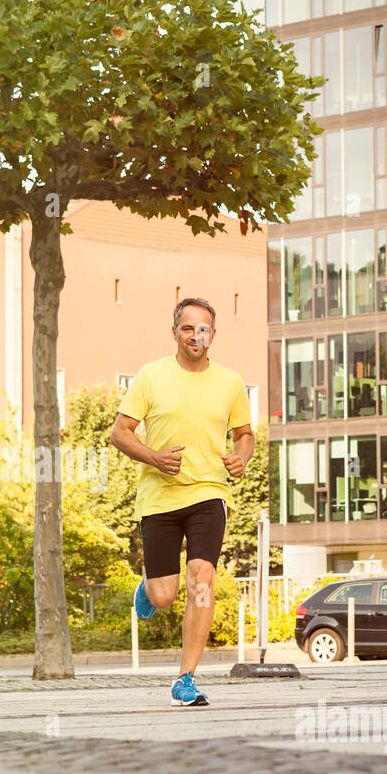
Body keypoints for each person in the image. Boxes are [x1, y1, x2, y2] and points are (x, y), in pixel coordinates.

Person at [110, 297, 254, 705]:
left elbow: (245, 434)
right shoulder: (151, 377)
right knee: (164, 596)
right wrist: (154, 457)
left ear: (213, 334)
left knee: (202, 582)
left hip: (209, 493)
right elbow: (119, 433)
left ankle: (185, 678)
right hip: (159, 499)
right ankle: (148, 588)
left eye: (203, 328)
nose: (196, 335)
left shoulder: (229, 382)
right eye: (187, 328)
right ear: (175, 332)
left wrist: (240, 458)